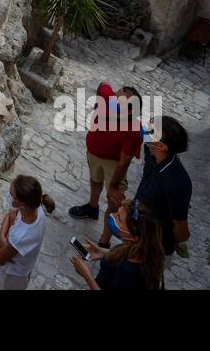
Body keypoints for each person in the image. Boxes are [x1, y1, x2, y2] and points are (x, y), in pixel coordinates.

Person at [68, 83, 142, 249]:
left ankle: (104, 241)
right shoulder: (109, 100)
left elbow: (124, 161)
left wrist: (114, 185)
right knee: (95, 180)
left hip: (114, 164)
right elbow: (103, 86)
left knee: (114, 201)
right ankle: (92, 207)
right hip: (93, 153)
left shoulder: (134, 131)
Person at [70, 199, 166, 290]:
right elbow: (125, 254)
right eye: (117, 212)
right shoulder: (144, 249)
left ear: (133, 236)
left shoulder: (128, 273)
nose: (112, 215)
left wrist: (87, 276)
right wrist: (103, 252)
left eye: (119, 218)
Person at [134, 115, 193, 258]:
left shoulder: (177, 183)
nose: (145, 130)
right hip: (136, 228)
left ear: (161, 146)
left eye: (150, 131)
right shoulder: (151, 151)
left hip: (152, 247)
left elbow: (182, 233)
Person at [0, 175, 56, 290]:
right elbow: (9, 215)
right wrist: (4, 241)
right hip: (23, 269)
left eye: (11, 195)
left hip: (10, 277)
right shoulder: (36, 209)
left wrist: (3, 235)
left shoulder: (21, 236)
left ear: (22, 204)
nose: (9, 196)